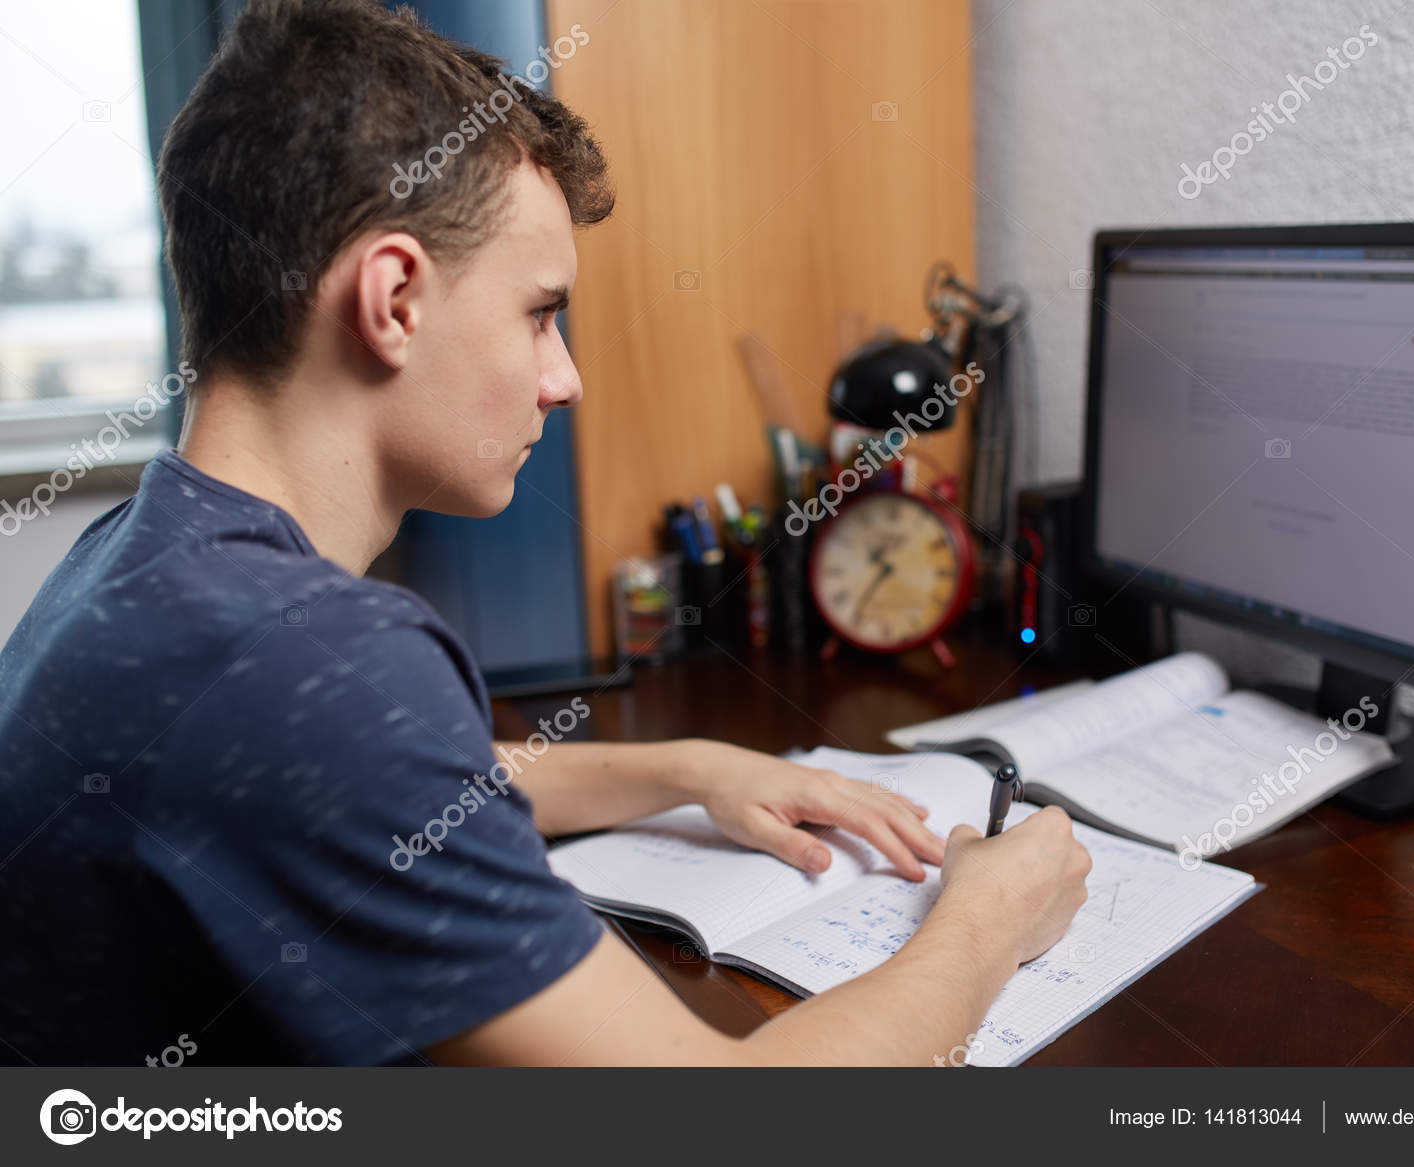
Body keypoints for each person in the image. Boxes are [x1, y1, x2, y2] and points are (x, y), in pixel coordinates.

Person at [0, 0, 1090, 1067]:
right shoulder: (305, 657)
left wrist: (690, 767)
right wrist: (988, 921)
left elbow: (402, 775)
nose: (565, 379)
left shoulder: (144, 553)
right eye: (538, 312)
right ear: (392, 300)